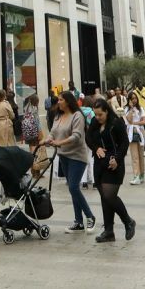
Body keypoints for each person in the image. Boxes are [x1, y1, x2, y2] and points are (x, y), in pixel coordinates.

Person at [86, 96, 135, 242]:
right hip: (99, 164)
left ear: (107, 111)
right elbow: (88, 138)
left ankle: (128, 221)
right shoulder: (95, 122)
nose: (98, 117)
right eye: (96, 114)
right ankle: (109, 231)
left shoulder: (116, 123)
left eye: (100, 114)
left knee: (109, 196)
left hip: (113, 164)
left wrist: (117, 159)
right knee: (104, 198)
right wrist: (96, 148)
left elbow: (124, 143)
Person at [47, 91, 97, 230]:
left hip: (77, 156)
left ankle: (90, 216)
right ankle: (78, 221)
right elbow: (53, 131)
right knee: (72, 189)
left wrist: (59, 142)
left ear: (68, 101)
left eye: (61, 100)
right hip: (64, 156)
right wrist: (48, 139)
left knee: (74, 187)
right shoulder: (58, 115)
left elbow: (76, 136)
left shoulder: (77, 116)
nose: (58, 102)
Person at [125, 93, 145, 185]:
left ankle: (141, 175)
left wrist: (135, 123)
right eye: (132, 98)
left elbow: (144, 121)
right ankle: (136, 175)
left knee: (141, 155)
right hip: (131, 133)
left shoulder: (140, 108)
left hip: (140, 132)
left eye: (135, 98)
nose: (134, 100)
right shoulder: (126, 109)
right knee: (134, 156)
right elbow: (128, 120)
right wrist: (130, 109)